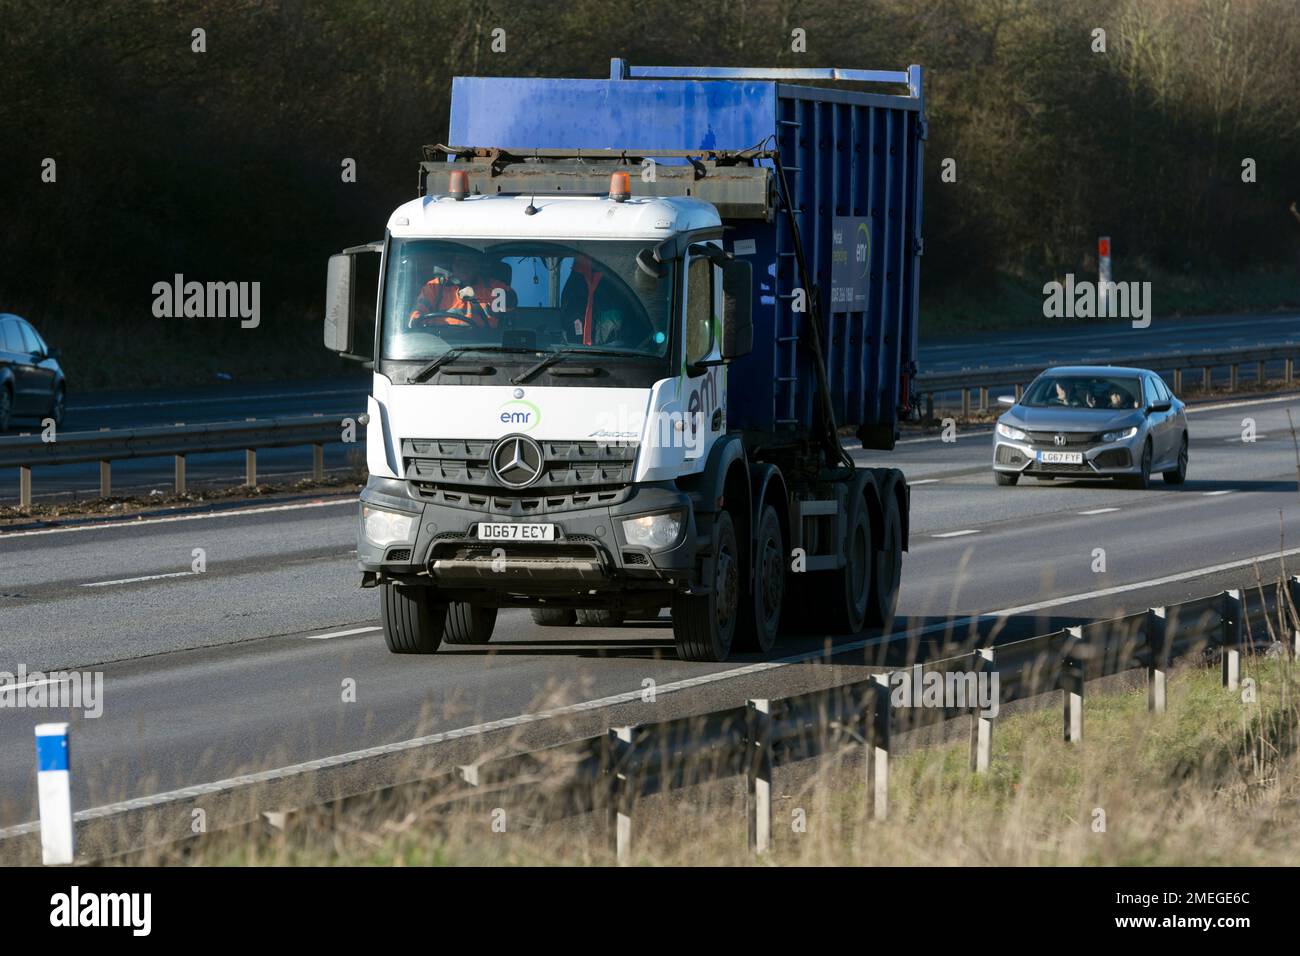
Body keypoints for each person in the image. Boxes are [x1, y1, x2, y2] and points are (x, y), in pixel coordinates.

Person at [409, 252, 513, 329]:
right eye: (459, 262)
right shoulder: (436, 286)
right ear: (453, 265)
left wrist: (477, 294)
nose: (463, 266)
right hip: (441, 344)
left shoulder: (492, 286)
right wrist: (415, 320)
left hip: (483, 343)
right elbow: (418, 311)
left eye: (467, 261)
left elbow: (511, 301)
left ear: (476, 265)